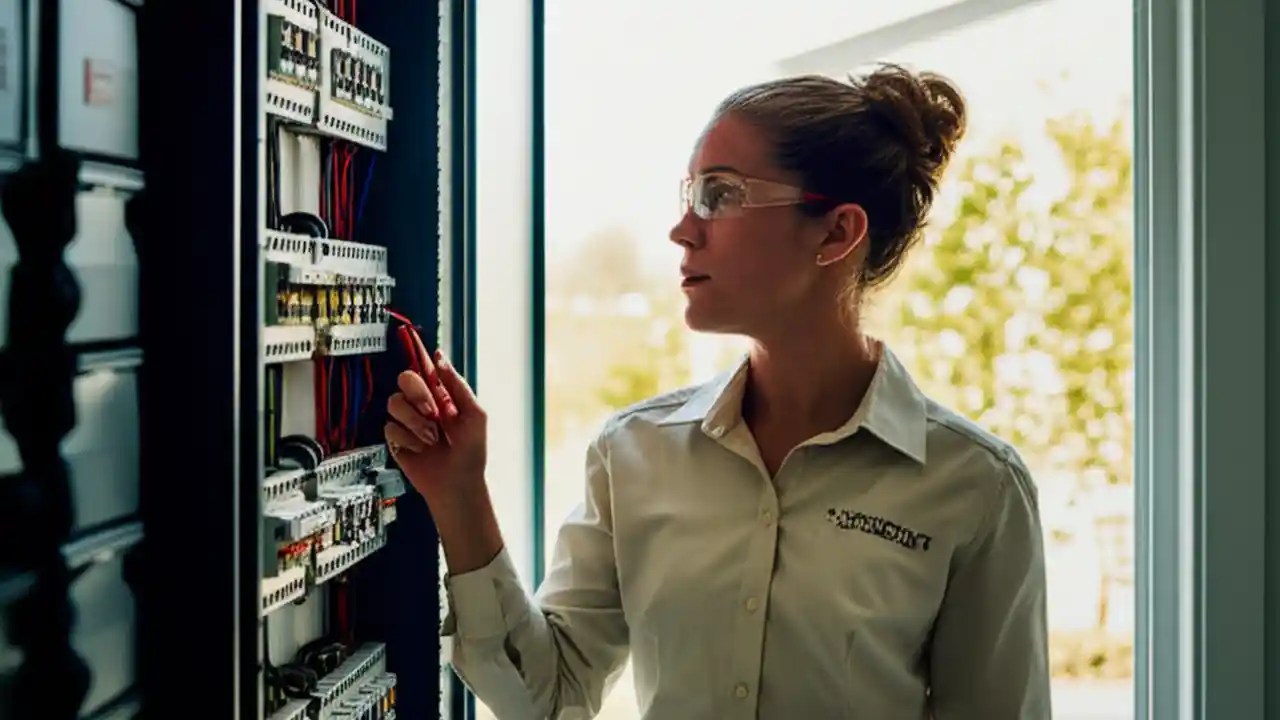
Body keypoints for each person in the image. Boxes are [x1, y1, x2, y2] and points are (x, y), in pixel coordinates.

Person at [385, 63, 1051, 720]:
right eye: (690, 195)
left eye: (721, 195)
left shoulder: (975, 488)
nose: (683, 230)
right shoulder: (633, 453)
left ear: (836, 231)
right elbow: (544, 699)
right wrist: (461, 494)